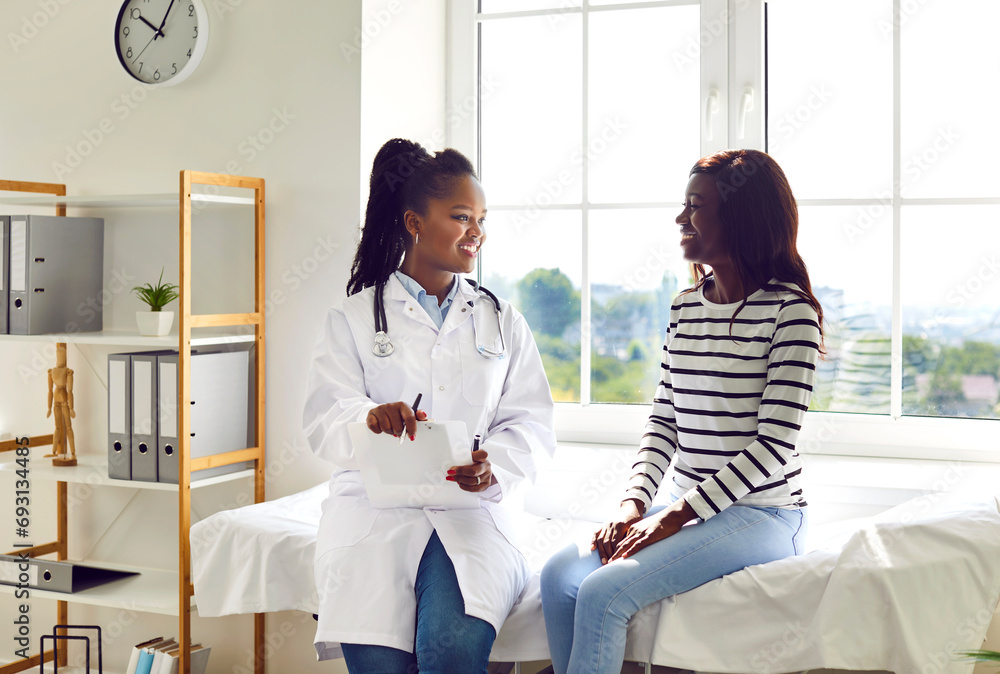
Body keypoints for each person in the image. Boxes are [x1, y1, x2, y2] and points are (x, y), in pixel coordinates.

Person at [539, 149, 824, 674]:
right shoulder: (686, 306)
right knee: (559, 577)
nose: (680, 218)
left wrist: (672, 518)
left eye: (695, 205)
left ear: (741, 218)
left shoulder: (792, 312)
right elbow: (664, 421)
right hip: (684, 502)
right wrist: (632, 505)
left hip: (763, 512)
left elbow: (774, 444)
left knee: (603, 593)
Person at [302, 138, 556, 673]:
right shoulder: (352, 317)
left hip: (474, 510)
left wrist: (493, 470)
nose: (477, 233)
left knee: (449, 650)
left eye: (481, 219)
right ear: (414, 222)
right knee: (381, 660)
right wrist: (367, 419)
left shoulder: (501, 318)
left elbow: (530, 421)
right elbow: (325, 418)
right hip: (375, 511)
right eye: (462, 217)